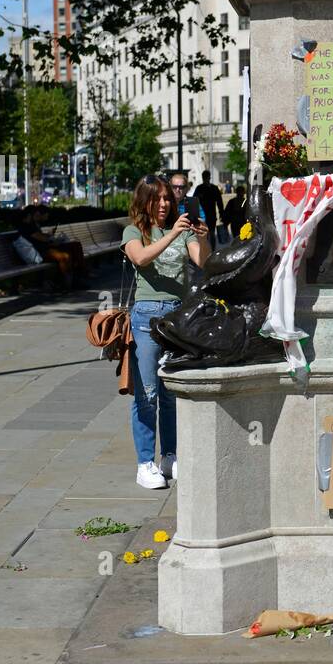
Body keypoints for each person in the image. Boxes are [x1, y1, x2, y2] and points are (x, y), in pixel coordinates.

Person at [122, 175, 209, 489]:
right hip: (146, 318)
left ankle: (169, 456)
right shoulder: (135, 231)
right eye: (157, 199)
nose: (163, 204)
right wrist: (173, 234)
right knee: (147, 395)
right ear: (145, 201)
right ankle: (144, 463)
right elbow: (140, 257)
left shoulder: (182, 229)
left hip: (177, 317)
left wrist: (204, 236)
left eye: (167, 199)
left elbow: (203, 262)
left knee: (171, 393)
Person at [192, 170, 226, 250]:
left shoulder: (201, 188)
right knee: (209, 234)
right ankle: (209, 250)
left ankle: (209, 250)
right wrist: (221, 213)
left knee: (209, 234)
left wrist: (221, 213)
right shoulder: (211, 188)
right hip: (207, 215)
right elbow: (219, 202)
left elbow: (194, 201)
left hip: (207, 215)